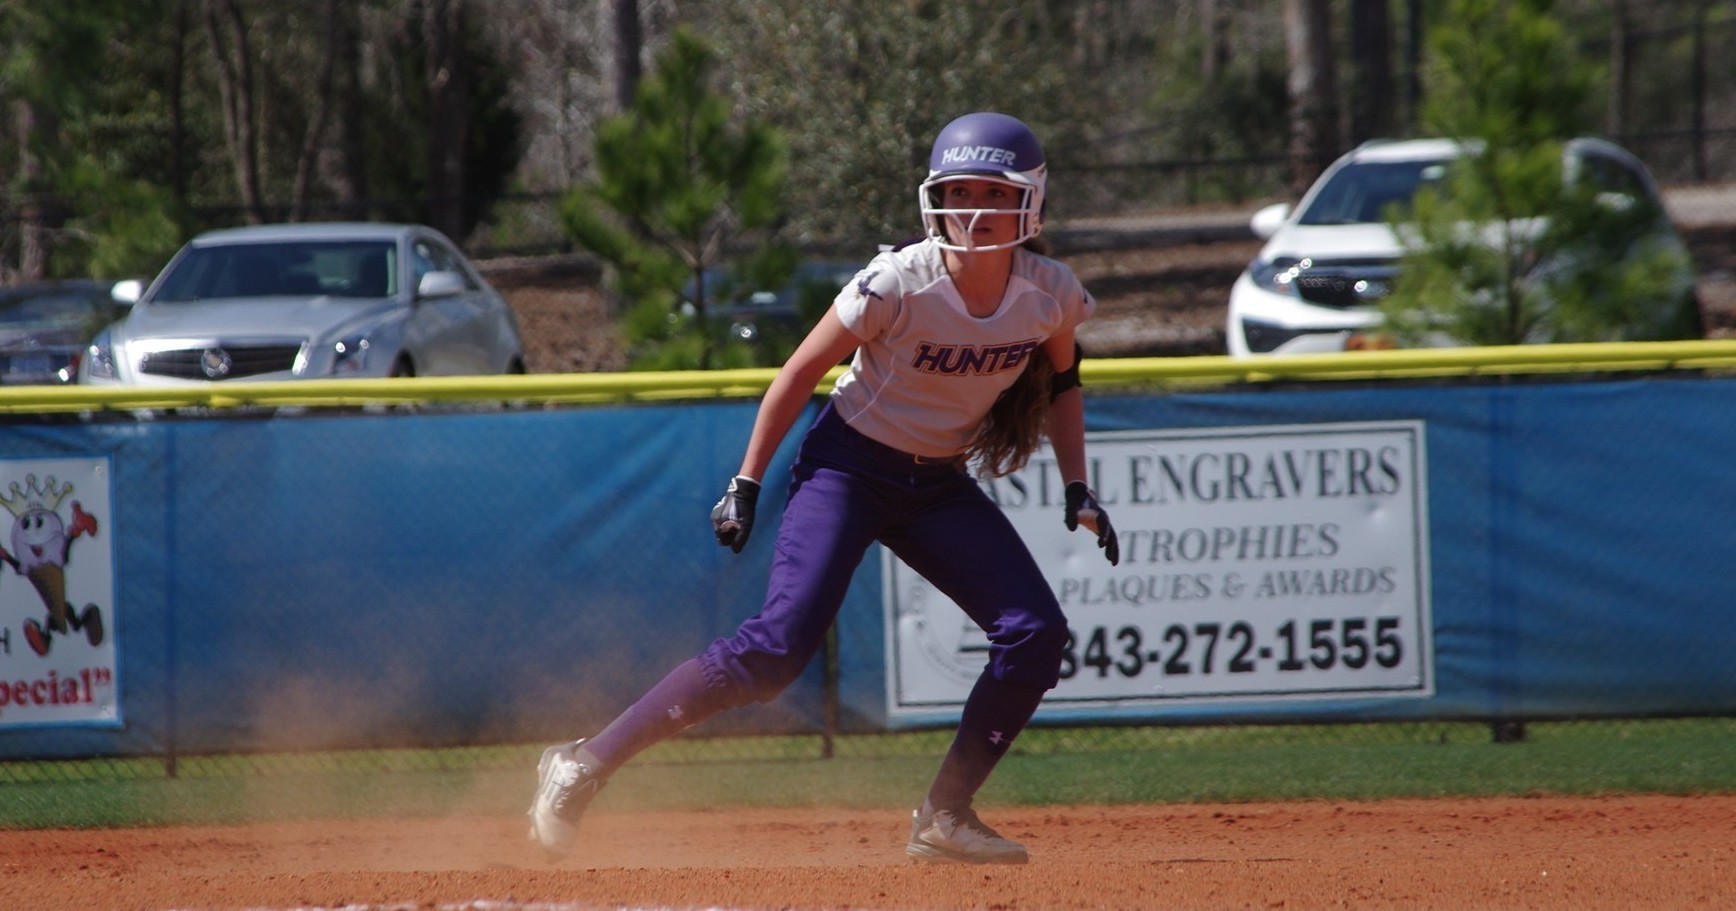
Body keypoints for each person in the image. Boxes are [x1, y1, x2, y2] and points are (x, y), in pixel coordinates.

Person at [528, 111, 1119, 866]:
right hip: (848, 468)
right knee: (776, 651)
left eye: (994, 193)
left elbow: (1063, 380)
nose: (973, 211)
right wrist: (746, 481)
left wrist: (1077, 485)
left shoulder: (1050, 292)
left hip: (936, 483)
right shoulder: (898, 280)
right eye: (959, 191)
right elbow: (800, 371)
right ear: (934, 198)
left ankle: (944, 815)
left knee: (1035, 632)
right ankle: (582, 763)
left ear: (1030, 202)